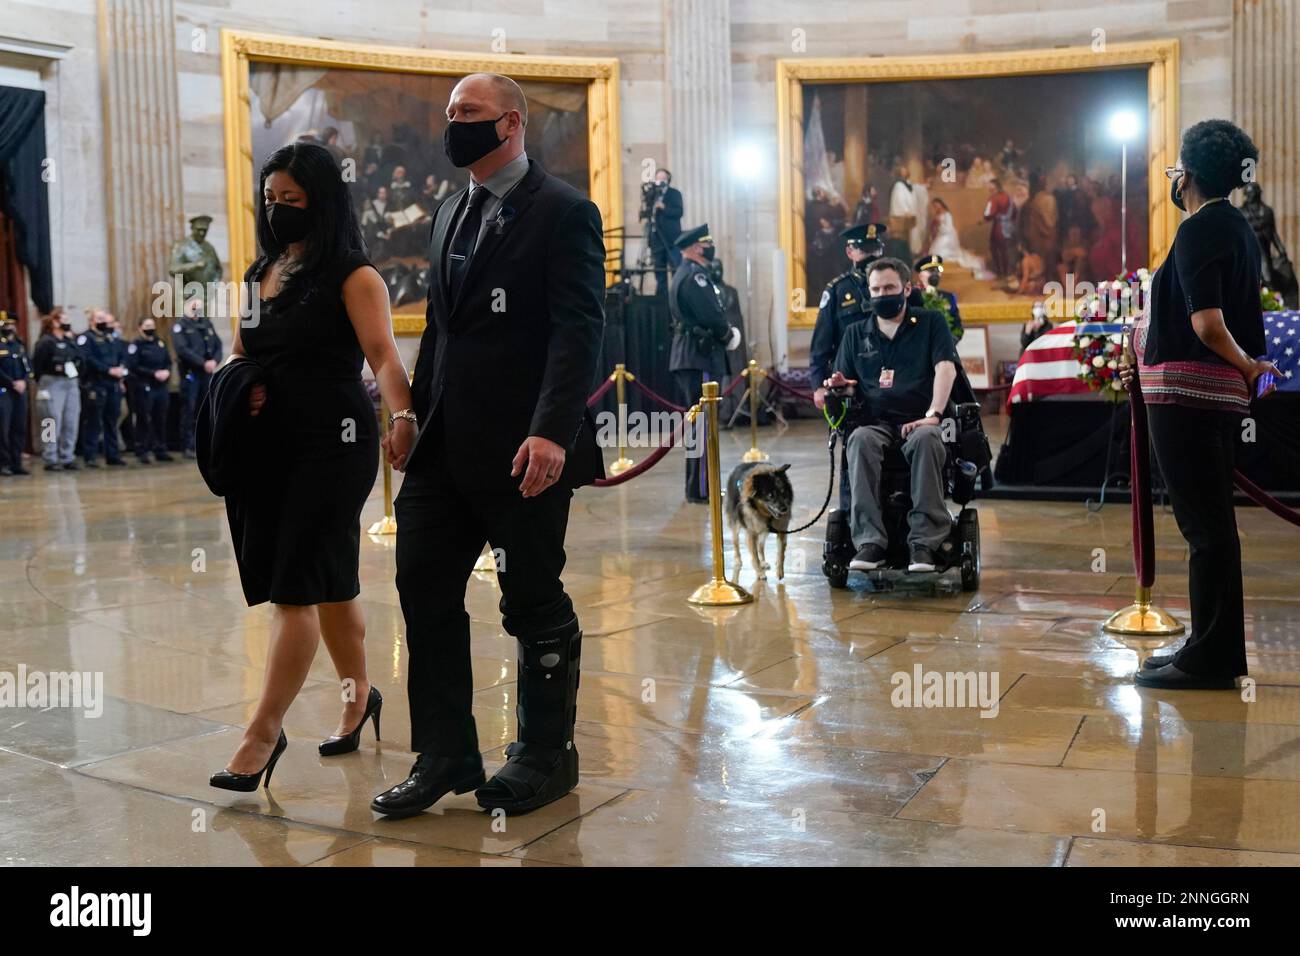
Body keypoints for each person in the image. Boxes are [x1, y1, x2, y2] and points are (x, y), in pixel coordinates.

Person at [370, 72, 605, 819]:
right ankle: (444, 753)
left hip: (524, 450)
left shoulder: (565, 212)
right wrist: (411, 414)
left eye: (466, 113)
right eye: (448, 114)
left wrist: (550, 430)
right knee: (422, 588)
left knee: (530, 597)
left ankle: (545, 755)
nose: (452, 124)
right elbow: (441, 328)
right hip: (445, 445)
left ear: (509, 124)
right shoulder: (449, 212)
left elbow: (579, 332)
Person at [205, 140, 415, 793]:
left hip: (334, 443)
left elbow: (383, 356)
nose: (276, 212)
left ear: (319, 201)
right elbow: (236, 353)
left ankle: (262, 733)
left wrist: (403, 417)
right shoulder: (252, 275)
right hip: (267, 447)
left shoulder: (354, 275)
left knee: (294, 589)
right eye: (269, 200)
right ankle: (361, 699)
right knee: (331, 585)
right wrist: (241, 383)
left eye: (290, 201)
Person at [1122, 120, 1279, 691]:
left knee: (1204, 528)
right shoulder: (1233, 226)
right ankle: (1207, 645)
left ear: (1187, 174)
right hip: (1204, 400)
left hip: (1187, 398)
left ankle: (1209, 659)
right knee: (1211, 526)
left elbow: (1207, 324)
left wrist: (1247, 365)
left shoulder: (1199, 229)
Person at [824, 257, 958, 573]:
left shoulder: (930, 322)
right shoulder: (856, 333)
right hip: (875, 421)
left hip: (920, 419)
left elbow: (945, 368)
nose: (882, 294)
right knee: (858, 441)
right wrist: (841, 387)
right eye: (876, 289)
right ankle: (870, 542)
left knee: (927, 440)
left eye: (889, 287)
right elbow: (845, 384)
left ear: (906, 289)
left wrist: (934, 414)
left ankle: (924, 543)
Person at [668, 223, 735, 503]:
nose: (709, 247)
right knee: (704, 426)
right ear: (695, 247)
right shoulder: (696, 276)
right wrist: (728, 334)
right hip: (700, 355)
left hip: (689, 354)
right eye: (705, 243)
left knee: (697, 426)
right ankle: (703, 488)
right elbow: (711, 316)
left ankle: (696, 487)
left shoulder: (683, 273)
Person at [811, 224, 883, 410]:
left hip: (887, 375)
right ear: (850, 252)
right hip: (849, 375)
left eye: (875, 251)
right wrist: (818, 385)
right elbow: (822, 341)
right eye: (865, 251)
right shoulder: (838, 290)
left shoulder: (895, 287)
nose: (871, 257)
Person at [76, 309, 128, 467]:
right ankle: (90, 456)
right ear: (92, 321)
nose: (103, 322)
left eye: (105, 319)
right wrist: (108, 370)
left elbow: (121, 354)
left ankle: (112, 454)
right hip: (96, 384)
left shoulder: (110, 337)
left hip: (113, 384)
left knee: (111, 421)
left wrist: (121, 369)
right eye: (100, 318)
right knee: (93, 421)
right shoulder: (86, 338)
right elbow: (88, 359)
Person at [32, 311, 82, 472]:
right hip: (51, 382)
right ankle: (50, 457)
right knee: (51, 420)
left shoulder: (69, 341)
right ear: (54, 322)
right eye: (64, 320)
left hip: (71, 382)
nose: (67, 322)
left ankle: (67, 456)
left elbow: (80, 359)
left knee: (71, 420)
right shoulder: (45, 342)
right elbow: (37, 366)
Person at [173, 297, 223, 459]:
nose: (197, 309)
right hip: (191, 374)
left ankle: (205, 444)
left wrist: (215, 360)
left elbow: (218, 345)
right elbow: (182, 350)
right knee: (189, 409)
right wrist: (203, 363)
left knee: (206, 410)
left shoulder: (206, 324)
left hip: (206, 374)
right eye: (194, 306)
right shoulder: (180, 326)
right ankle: (187, 445)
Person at [126, 316, 172, 463]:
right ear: (140, 327)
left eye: (152, 325)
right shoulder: (136, 345)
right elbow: (133, 366)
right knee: (144, 418)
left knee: (160, 418)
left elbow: (168, 361)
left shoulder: (160, 343)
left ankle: (160, 449)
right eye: (147, 325)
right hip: (144, 385)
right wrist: (153, 373)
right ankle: (142, 450)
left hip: (161, 386)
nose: (150, 328)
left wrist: (166, 371)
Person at [0, 310, 32, 476]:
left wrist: (23, 381)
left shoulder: (19, 345)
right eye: (6, 324)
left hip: (20, 391)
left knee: (18, 427)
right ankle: (3, 463)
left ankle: (16, 462)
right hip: (4, 390)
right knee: (3, 429)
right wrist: (11, 382)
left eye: (12, 324)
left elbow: (28, 367)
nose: (10, 327)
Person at [649, 167, 683, 297]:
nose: (660, 181)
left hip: (672, 239)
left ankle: (676, 295)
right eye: (658, 178)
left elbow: (679, 212)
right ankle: (661, 298)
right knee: (659, 270)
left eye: (663, 178)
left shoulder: (674, 194)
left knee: (675, 267)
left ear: (668, 180)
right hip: (657, 239)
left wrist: (663, 207)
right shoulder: (652, 195)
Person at [914, 254, 963, 342]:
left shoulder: (948, 297)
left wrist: (949, 342)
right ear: (921, 275)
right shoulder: (913, 297)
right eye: (931, 270)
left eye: (938, 270)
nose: (935, 274)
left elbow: (957, 325)